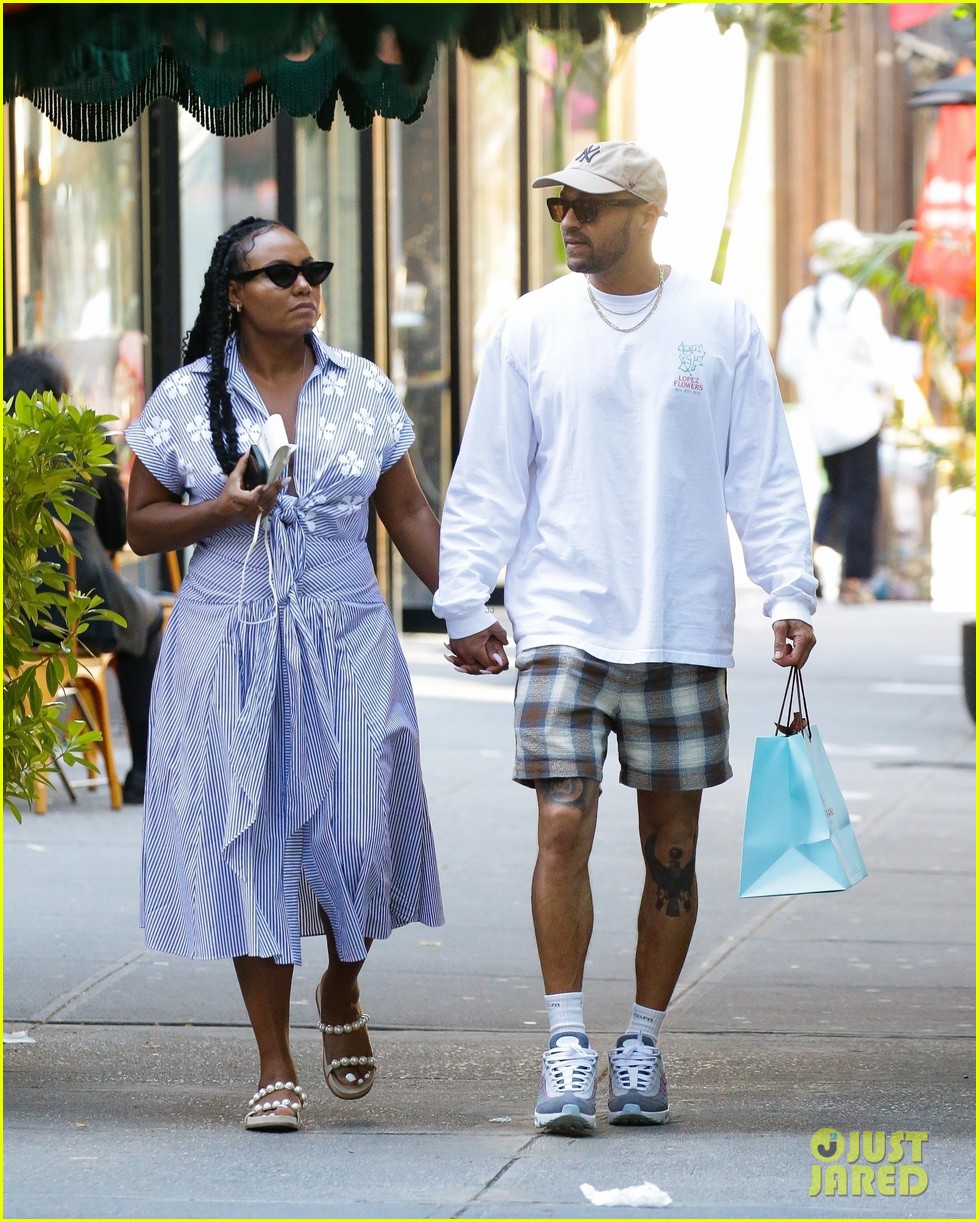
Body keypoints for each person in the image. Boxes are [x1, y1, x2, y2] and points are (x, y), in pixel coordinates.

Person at [434, 142, 817, 1135]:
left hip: (680, 622)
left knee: (671, 851)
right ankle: (565, 1041)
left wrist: (789, 588)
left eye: (590, 207)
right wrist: (464, 597)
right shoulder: (528, 325)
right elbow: (487, 475)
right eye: (560, 202)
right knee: (561, 822)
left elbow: (762, 472)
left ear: (646, 213)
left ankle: (640, 1040)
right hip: (561, 615)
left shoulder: (718, 321)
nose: (568, 219)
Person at [125, 217, 444, 1132]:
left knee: (361, 836)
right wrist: (220, 509)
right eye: (280, 273)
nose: (304, 284)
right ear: (234, 293)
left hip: (345, 637)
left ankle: (342, 983)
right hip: (228, 644)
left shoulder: (363, 388)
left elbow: (410, 508)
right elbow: (140, 522)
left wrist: (469, 606)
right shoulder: (187, 398)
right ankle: (272, 1060)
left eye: (313, 270)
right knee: (252, 846)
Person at [3, 346, 163, 804]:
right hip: (82, 610)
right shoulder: (83, 438)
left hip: (12, 620)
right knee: (148, 621)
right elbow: (117, 529)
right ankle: (142, 777)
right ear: (58, 395)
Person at [776, 219, 896, 604]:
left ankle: (813, 553)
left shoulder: (801, 305)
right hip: (860, 415)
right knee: (862, 495)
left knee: (836, 490)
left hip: (822, 419)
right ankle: (854, 582)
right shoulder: (857, 300)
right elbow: (881, 357)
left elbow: (788, 361)